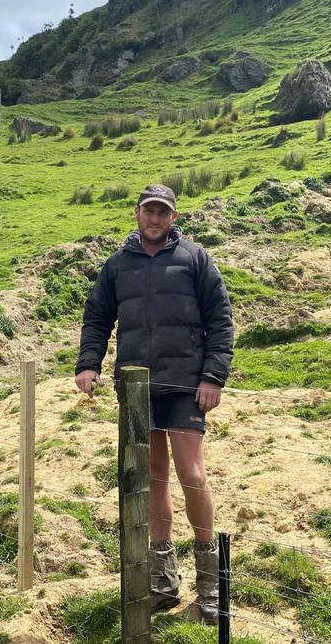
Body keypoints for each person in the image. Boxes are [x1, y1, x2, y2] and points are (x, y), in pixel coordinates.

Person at [74, 183, 235, 623]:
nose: (155, 219)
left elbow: (221, 321)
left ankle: (211, 587)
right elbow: (97, 318)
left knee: (192, 474)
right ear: (137, 213)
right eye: (149, 211)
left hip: (185, 385)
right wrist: (89, 364)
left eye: (163, 212)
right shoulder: (117, 265)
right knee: (154, 480)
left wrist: (212, 377)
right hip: (137, 387)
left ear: (174, 217)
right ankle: (163, 581)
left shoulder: (196, 260)